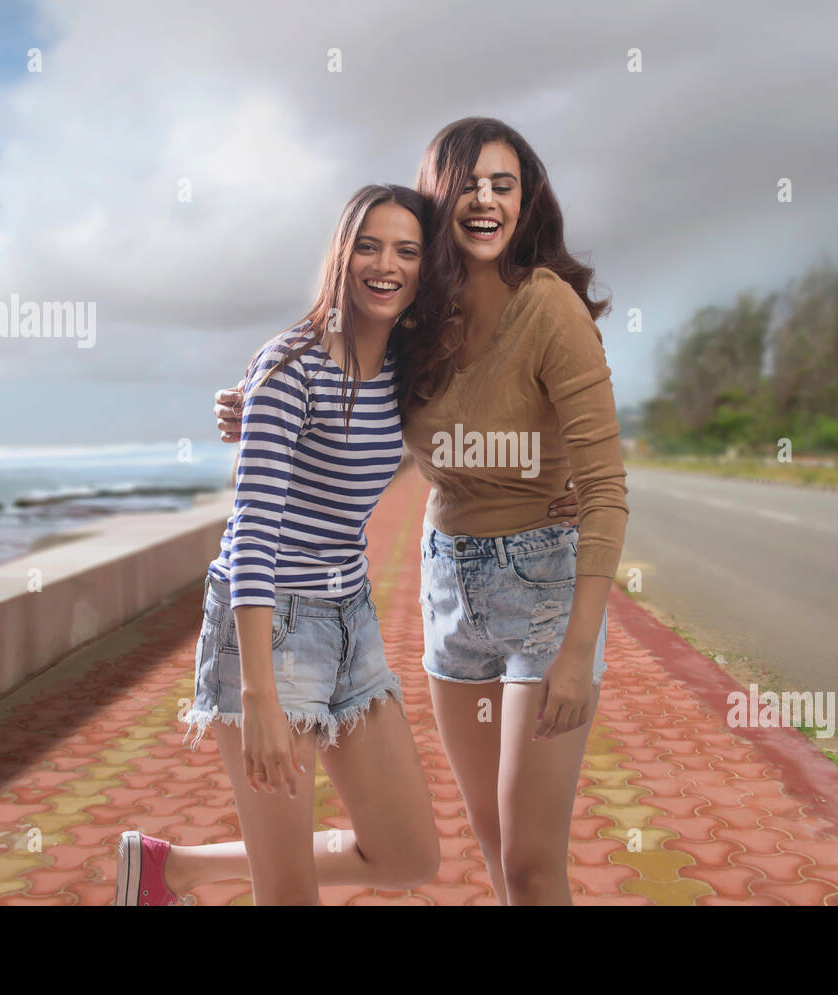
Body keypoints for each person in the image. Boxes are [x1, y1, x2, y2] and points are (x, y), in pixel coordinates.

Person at [214, 118, 628, 905]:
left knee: (536, 861)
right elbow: (343, 378)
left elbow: (607, 486)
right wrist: (254, 404)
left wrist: (578, 650)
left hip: (541, 586)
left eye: (503, 186)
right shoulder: (419, 319)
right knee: (495, 842)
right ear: (441, 201)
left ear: (524, 200)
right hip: (448, 588)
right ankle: (185, 869)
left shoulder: (549, 308)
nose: (485, 201)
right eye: (467, 186)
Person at [116, 184, 443, 906]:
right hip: (270, 625)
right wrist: (259, 695)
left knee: (408, 854)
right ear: (341, 255)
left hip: (350, 616)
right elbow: (254, 535)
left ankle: (179, 869)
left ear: (425, 268)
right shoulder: (289, 365)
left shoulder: (405, 367)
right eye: (368, 244)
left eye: (406, 250)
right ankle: (186, 871)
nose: (385, 264)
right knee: (288, 890)